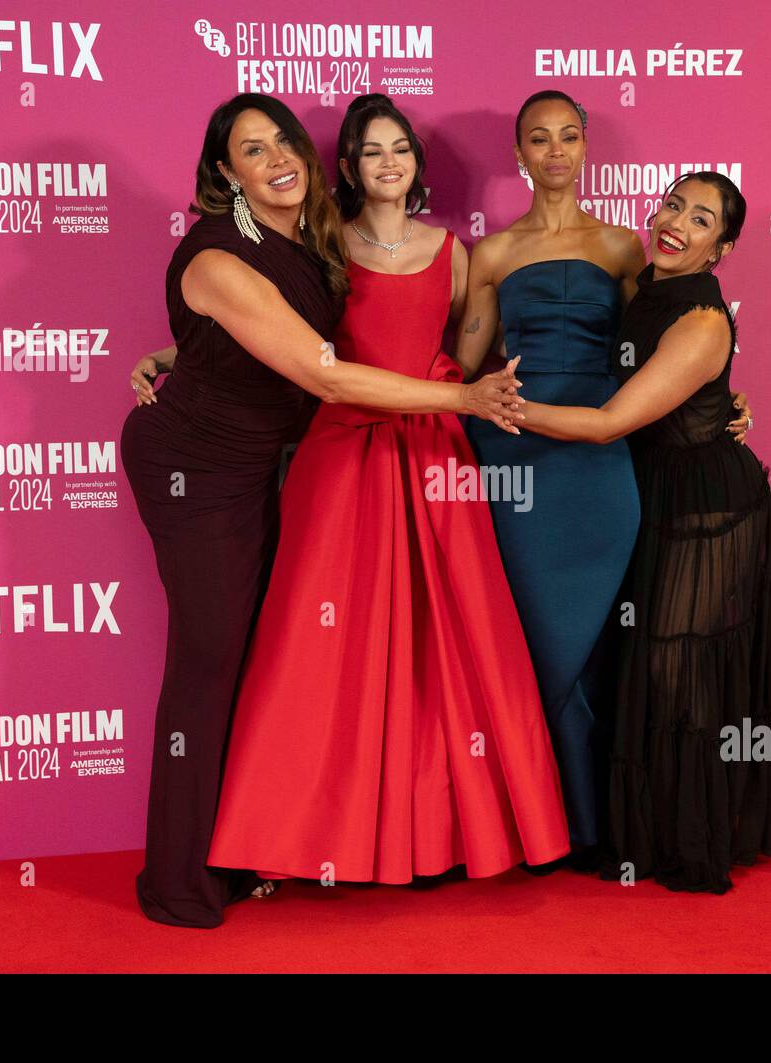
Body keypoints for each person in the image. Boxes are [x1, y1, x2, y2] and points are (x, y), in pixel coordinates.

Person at [120, 93, 523, 928]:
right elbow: (331, 374)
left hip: (267, 464)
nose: (274, 158)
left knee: (254, 655)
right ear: (223, 173)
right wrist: (466, 397)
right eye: (250, 150)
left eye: (283, 142)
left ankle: (230, 851)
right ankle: (178, 880)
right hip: (196, 468)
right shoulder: (219, 256)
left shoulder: (299, 238)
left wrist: (175, 348)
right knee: (209, 659)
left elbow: (272, 334)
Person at [205, 95, 571, 887]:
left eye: (400, 148)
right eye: (372, 152)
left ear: (416, 161)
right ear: (348, 166)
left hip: (436, 455)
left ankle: (446, 834)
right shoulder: (319, 242)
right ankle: (288, 840)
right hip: (343, 457)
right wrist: (172, 355)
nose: (389, 162)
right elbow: (275, 331)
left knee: (446, 644)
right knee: (321, 646)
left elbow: (474, 365)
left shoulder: (458, 253)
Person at [453, 91, 751, 863]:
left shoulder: (628, 248)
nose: (555, 151)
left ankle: (589, 825)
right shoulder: (489, 255)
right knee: (528, 635)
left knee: (594, 636)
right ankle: (526, 820)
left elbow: (664, 350)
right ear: (518, 153)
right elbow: (460, 363)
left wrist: (723, 401)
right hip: (515, 456)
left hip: (599, 457)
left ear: (587, 148)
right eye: (538, 139)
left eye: (570, 136)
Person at [513, 171, 771, 892]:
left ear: (724, 247)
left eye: (702, 219)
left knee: (684, 676)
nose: (677, 222)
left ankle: (694, 844)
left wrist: (497, 408)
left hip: (708, 507)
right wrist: (727, 398)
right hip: (652, 493)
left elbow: (609, 423)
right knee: (650, 666)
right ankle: (647, 833)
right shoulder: (647, 284)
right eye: (674, 205)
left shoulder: (703, 321)